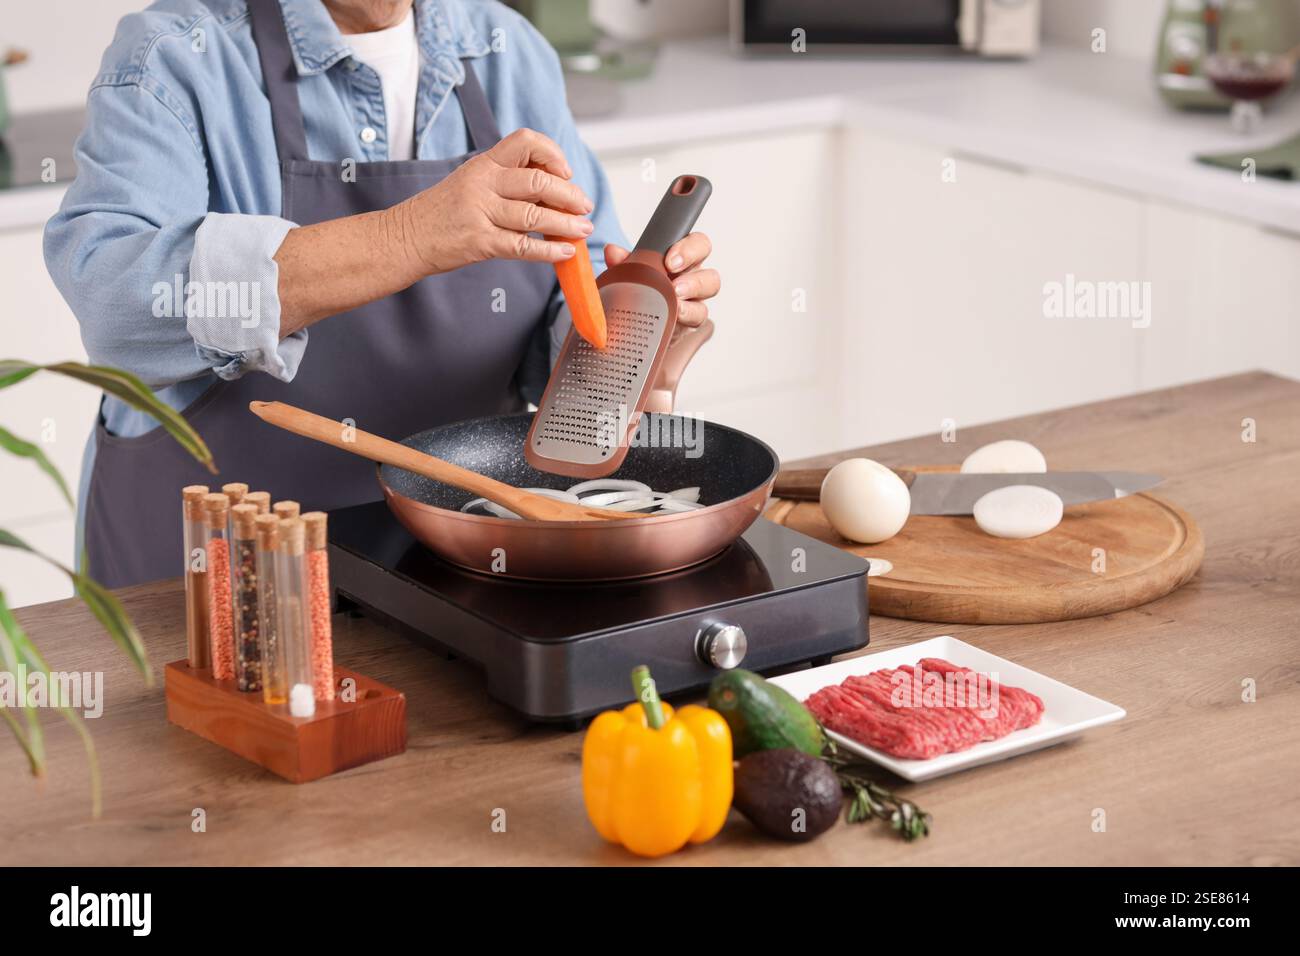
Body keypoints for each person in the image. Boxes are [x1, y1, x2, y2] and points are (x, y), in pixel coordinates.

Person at [44, 0, 720, 588]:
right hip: (211, 577)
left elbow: (567, 327)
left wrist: (635, 353)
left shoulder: (505, 48)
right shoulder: (175, 55)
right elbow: (116, 301)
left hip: (449, 571)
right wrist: (410, 236)